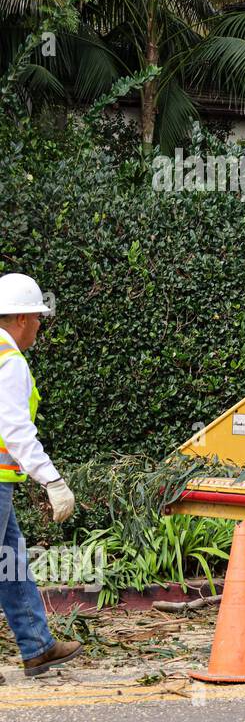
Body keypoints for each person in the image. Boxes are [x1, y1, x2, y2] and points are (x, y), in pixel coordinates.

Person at [0, 273, 82, 680]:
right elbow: (16, 430)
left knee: (11, 563)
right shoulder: (9, 361)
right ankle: (37, 646)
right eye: (36, 318)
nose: (38, 326)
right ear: (18, 317)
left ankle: (37, 647)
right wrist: (52, 480)